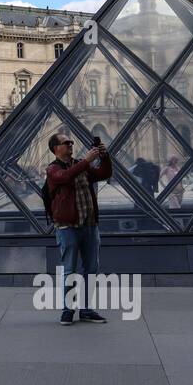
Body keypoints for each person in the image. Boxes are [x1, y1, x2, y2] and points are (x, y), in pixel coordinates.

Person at [45, 133, 112, 325]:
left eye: (71, 142)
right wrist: (86, 161)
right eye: (66, 143)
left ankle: (86, 310)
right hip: (67, 227)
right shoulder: (52, 169)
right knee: (69, 270)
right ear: (56, 148)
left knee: (91, 269)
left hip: (90, 225)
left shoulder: (81, 165)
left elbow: (104, 174)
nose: (70, 144)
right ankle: (67, 310)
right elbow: (65, 177)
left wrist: (104, 157)